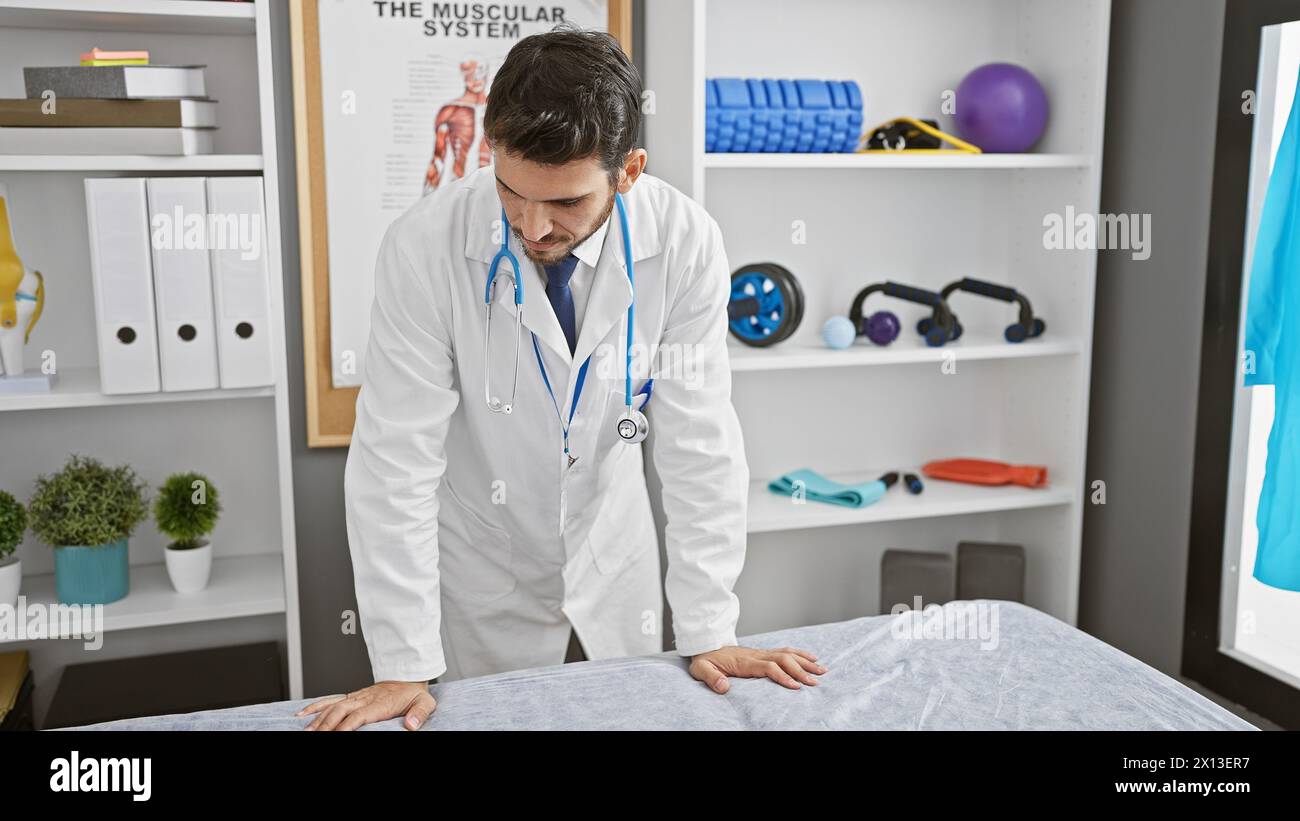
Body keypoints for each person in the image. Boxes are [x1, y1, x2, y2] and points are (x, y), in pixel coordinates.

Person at [298, 25, 824, 732]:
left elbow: (699, 441)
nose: (533, 226)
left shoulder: (687, 243)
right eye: (512, 191)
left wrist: (709, 625)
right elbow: (395, 460)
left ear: (629, 170)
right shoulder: (424, 248)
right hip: (481, 560)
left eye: (566, 203)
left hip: (614, 548)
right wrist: (402, 659)